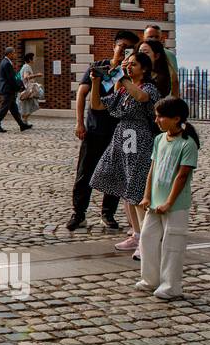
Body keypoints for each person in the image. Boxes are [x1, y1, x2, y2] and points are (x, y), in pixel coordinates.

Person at [69, 29, 141, 232]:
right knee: (84, 173)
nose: (125, 52)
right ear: (114, 47)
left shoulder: (131, 74)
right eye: (122, 47)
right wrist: (79, 122)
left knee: (116, 174)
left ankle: (107, 214)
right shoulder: (98, 67)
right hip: (94, 129)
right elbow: (82, 94)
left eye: (130, 49)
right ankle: (79, 213)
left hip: (119, 130)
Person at [91, 51, 161, 260]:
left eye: (134, 65)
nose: (129, 67)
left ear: (145, 69)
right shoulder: (122, 91)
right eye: (127, 64)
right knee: (125, 187)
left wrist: (120, 78)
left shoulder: (148, 88)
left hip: (140, 139)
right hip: (123, 138)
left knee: (137, 188)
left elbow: (142, 97)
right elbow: (98, 105)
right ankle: (136, 233)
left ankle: (146, 239)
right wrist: (96, 82)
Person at [136, 97, 200, 301]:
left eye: (161, 117)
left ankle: (171, 285)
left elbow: (182, 176)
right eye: (156, 116)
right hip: (154, 203)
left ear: (176, 118)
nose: (157, 120)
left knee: (172, 245)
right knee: (147, 239)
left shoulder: (187, 144)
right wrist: (147, 196)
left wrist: (169, 203)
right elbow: (152, 170)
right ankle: (150, 279)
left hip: (175, 205)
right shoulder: (159, 140)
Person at [0, 46, 31, 133]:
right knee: (4, 108)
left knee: (14, 109)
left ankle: (21, 125)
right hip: (8, 90)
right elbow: (11, 79)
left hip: (8, 89)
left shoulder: (6, 62)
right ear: (9, 54)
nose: (15, 54)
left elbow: (12, 78)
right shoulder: (6, 63)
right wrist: (19, 87)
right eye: (13, 53)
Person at [142, 25, 179, 97]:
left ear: (161, 38)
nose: (153, 39)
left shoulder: (169, 55)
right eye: (150, 37)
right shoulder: (137, 54)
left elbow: (174, 81)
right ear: (144, 38)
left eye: (156, 37)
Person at [17, 52, 41, 122]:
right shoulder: (27, 67)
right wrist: (37, 75)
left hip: (25, 90)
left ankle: (24, 121)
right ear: (30, 60)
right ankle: (23, 121)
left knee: (27, 107)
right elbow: (26, 77)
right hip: (27, 90)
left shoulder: (24, 66)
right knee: (29, 107)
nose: (34, 60)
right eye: (33, 58)